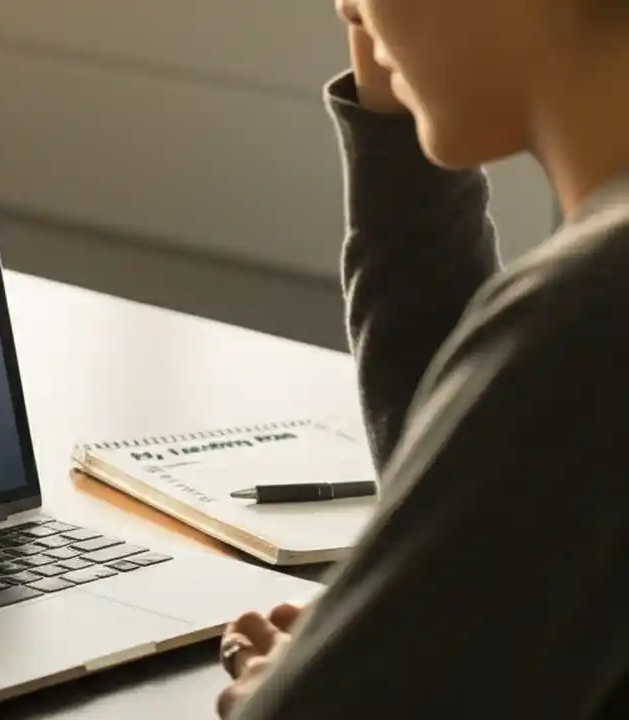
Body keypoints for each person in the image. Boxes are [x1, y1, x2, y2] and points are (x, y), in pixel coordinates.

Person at [214, 0, 629, 717]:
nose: (348, 6)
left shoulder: (594, 306)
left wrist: (280, 690)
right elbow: (477, 514)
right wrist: (394, 127)